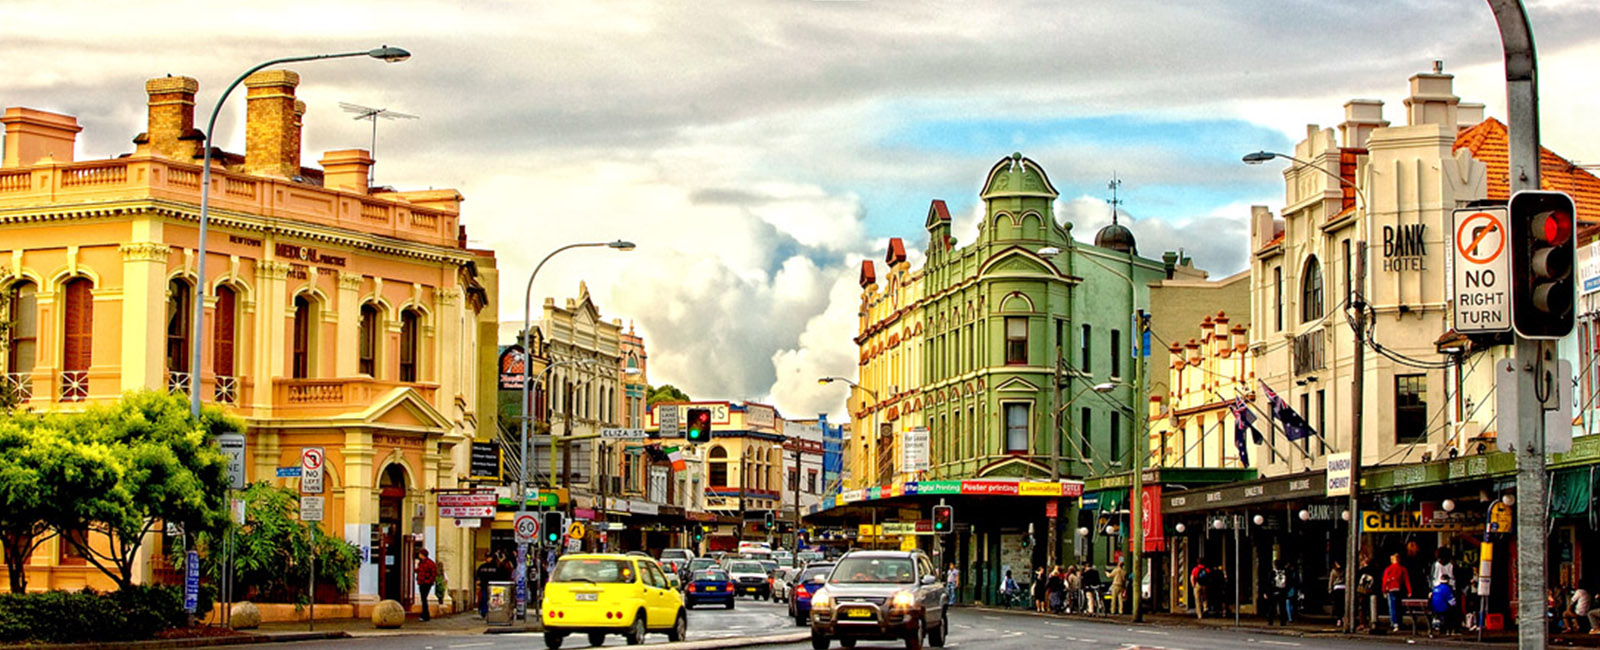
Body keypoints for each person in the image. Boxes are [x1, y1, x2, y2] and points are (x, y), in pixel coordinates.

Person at [1383, 553, 1412, 633]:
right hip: (1399, 589)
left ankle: (1394, 623)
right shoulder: (1402, 569)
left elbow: (1385, 580)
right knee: (1398, 606)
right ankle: (1399, 621)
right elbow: (1406, 581)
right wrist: (1409, 591)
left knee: (1392, 606)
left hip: (1391, 589)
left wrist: (1383, 590)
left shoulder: (1388, 569)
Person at [415, 548, 438, 621]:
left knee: (424, 599)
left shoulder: (429, 563)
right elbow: (419, 571)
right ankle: (425, 614)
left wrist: (428, 581)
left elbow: (433, 573)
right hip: (421, 582)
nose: (419, 555)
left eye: (420, 554)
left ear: (423, 555)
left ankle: (425, 615)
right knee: (423, 599)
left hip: (426, 583)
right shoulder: (421, 563)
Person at [475, 551, 499, 617]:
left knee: (492, 599)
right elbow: (478, 575)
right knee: (484, 598)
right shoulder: (482, 567)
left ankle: (492, 611)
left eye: (490, 557)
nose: (488, 559)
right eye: (487, 557)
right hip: (484, 585)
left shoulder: (496, 567)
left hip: (494, 586)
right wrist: (478, 581)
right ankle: (484, 611)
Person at [1328, 561, 1346, 628]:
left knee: (1338, 605)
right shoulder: (1344, 570)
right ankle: (1343, 617)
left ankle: (1339, 619)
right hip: (1343, 587)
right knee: (1342, 604)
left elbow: (1331, 580)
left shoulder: (1333, 571)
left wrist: (1330, 589)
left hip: (1337, 588)